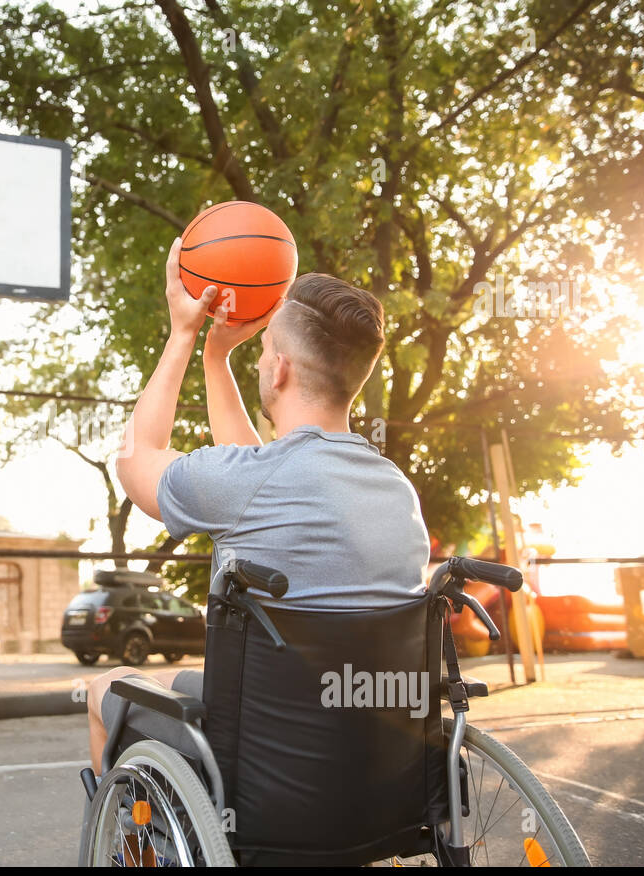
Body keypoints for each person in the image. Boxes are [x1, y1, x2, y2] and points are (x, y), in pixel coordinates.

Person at [86, 238, 431, 772]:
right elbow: (254, 468)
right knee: (177, 684)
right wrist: (215, 357)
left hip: (263, 759)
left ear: (280, 372)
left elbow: (136, 460)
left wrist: (183, 335)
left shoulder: (251, 485)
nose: (262, 360)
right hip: (373, 762)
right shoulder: (397, 491)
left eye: (266, 349)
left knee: (102, 689)